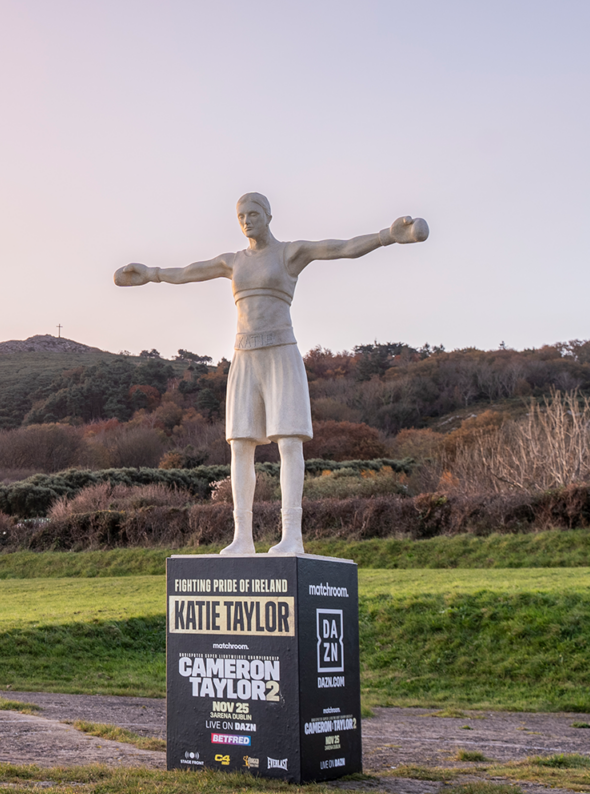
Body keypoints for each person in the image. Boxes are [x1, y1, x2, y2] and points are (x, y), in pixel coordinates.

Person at [115, 192, 427, 554]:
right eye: (241, 216)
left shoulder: (289, 253)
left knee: (289, 442)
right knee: (240, 445)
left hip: (280, 352)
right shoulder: (232, 262)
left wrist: (387, 236)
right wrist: (150, 275)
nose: (247, 220)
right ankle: (242, 538)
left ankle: (292, 536)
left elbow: (340, 247)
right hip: (245, 355)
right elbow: (186, 272)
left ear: (268, 216)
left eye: (254, 214)